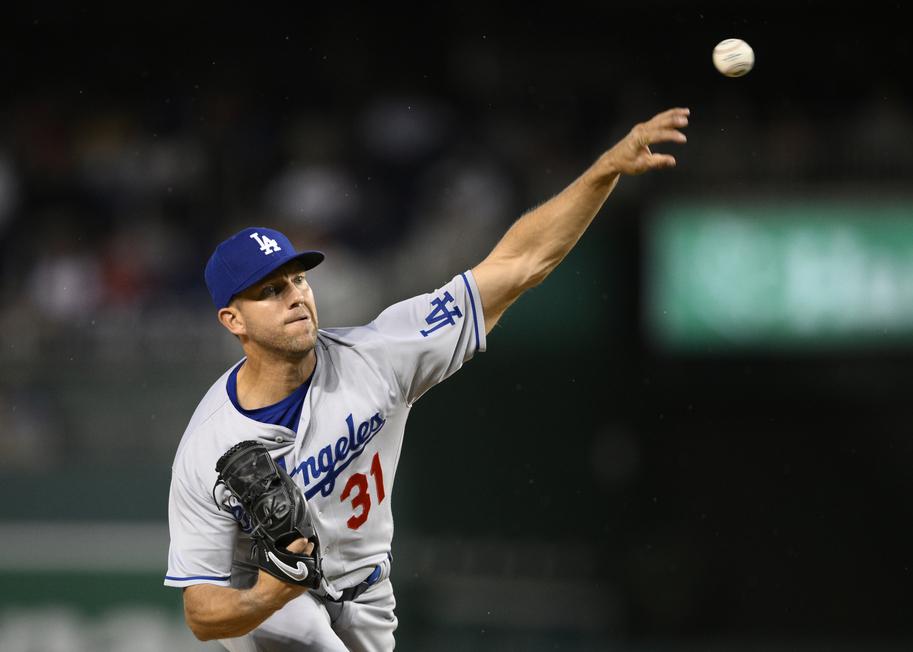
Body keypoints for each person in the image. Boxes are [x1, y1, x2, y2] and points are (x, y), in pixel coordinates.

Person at [164, 107, 689, 651]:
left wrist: (602, 170)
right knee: (305, 630)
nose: (296, 295)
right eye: (271, 291)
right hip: (269, 609)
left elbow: (520, 263)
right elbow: (202, 614)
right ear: (233, 320)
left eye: (298, 279)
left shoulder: (379, 355)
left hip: (366, 597)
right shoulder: (210, 446)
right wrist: (266, 597)